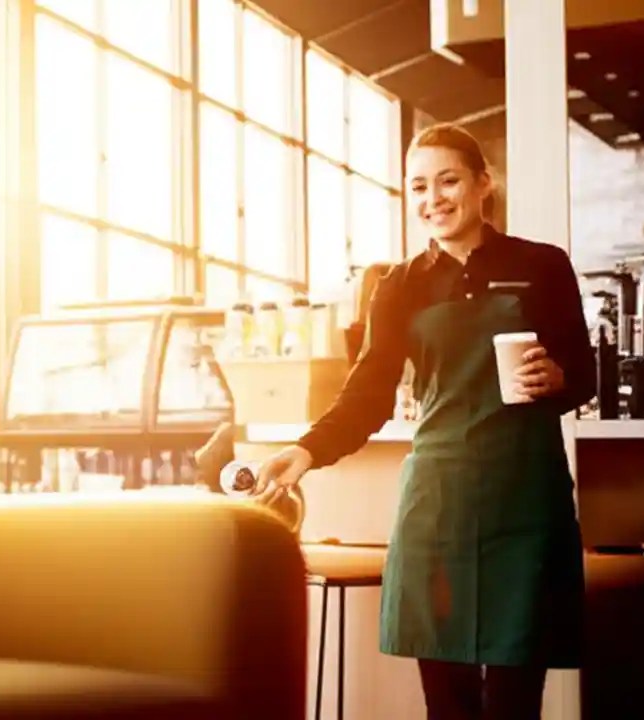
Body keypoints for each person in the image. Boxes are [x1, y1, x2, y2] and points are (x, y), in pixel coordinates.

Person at [254, 123, 595, 720]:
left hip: (527, 498)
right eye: (418, 187)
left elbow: (587, 375)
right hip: (439, 500)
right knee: (447, 701)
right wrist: (304, 452)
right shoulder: (399, 286)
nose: (433, 198)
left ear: (483, 184)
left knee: (516, 699)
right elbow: (367, 394)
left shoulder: (542, 265)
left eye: (448, 181)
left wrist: (559, 381)